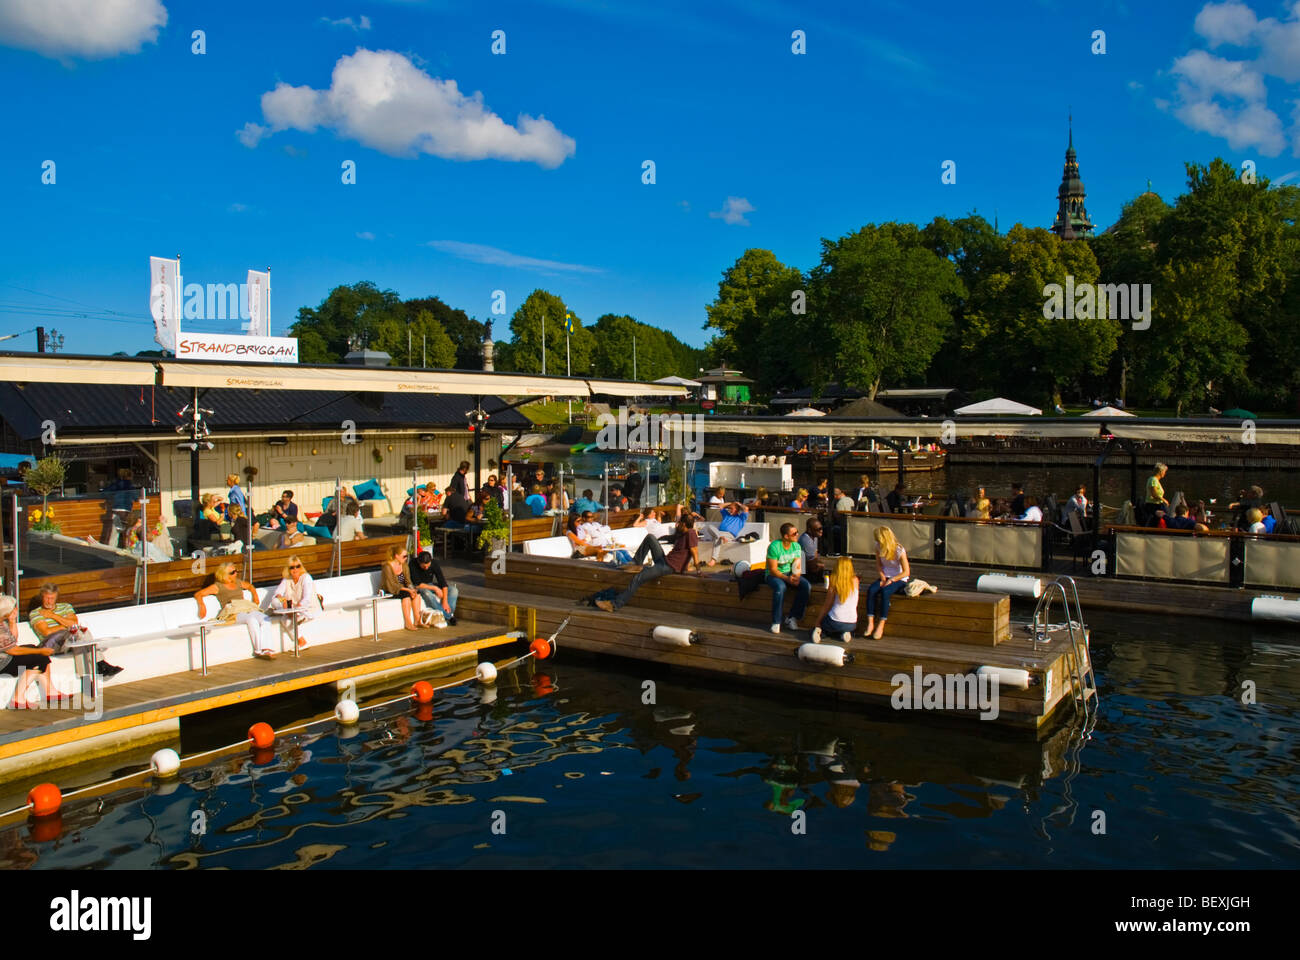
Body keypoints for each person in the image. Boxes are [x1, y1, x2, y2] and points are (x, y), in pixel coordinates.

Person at [594, 516, 701, 613]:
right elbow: (677, 546)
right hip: (665, 561)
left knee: (638, 578)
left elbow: (694, 552)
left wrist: (699, 571)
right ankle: (637, 563)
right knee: (650, 537)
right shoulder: (682, 534)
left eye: (679, 523)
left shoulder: (691, 533)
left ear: (684, 524)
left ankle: (615, 605)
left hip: (669, 567)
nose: (677, 525)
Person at [28, 584, 123, 677]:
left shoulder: (65, 607)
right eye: (47, 598)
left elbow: (74, 624)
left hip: (70, 640)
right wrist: (67, 626)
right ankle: (101, 664)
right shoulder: (36, 613)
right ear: (42, 597)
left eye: (52, 598)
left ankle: (86, 679)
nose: (49, 601)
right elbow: (47, 632)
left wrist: (53, 616)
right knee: (79, 632)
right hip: (52, 645)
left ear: (56, 598)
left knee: (79, 641)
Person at [195, 563, 275, 659]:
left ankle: (267, 648)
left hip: (246, 607)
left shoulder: (237, 582)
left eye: (236, 571)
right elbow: (198, 594)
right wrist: (202, 606)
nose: (236, 573)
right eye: (232, 572)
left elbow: (250, 586)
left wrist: (255, 596)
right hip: (233, 611)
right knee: (251, 619)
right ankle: (259, 650)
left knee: (265, 618)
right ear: (225, 574)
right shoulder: (218, 586)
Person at [1, 595, 59, 707]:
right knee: (39, 657)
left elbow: (13, 641)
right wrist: (40, 652)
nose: (16, 609)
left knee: (33, 648)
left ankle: (50, 691)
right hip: (2, 664)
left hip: (4, 657)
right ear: (7, 612)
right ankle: (18, 698)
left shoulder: (2, 621)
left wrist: (12, 621)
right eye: (14, 608)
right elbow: (13, 650)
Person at [265, 555, 323, 648]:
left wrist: (295, 610)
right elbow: (277, 592)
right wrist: (283, 600)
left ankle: (300, 639)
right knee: (279, 608)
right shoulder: (287, 579)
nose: (295, 569)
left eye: (297, 566)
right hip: (293, 609)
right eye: (292, 567)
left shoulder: (306, 578)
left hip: (307, 608)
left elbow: (306, 599)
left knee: (292, 619)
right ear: (288, 569)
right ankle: (302, 641)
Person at [864, 526, 909, 641]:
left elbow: (906, 572)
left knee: (885, 592)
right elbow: (879, 565)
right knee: (872, 590)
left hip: (899, 578)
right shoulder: (878, 547)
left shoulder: (899, 550)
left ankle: (881, 624)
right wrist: (883, 577)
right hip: (886, 575)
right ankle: (870, 622)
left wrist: (892, 580)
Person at [765, 522, 811, 634]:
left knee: (806, 586)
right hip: (773, 575)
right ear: (786, 536)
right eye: (794, 533)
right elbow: (773, 570)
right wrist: (787, 579)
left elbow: (798, 565)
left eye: (797, 532)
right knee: (780, 588)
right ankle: (776, 621)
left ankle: (793, 617)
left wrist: (796, 576)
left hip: (789, 572)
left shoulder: (796, 546)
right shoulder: (774, 546)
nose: (797, 535)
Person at [810, 556, 859, 645]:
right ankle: (844, 633)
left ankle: (820, 633)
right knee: (837, 628)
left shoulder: (834, 580)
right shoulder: (855, 581)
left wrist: (818, 621)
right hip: (852, 623)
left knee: (824, 626)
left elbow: (827, 605)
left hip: (835, 620)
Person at [380, 545, 424, 631]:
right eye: (404, 556)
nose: (406, 558)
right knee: (406, 595)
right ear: (396, 556)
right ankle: (408, 622)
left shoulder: (404, 566)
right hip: (390, 590)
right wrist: (408, 590)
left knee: (416, 593)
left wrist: (412, 589)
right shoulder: (387, 567)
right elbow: (391, 585)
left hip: (403, 589)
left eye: (407, 556)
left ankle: (417, 620)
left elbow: (408, 581)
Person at [412, 551, 457, 626]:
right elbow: (417, 584)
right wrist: (435, 588)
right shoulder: (413, 564)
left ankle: (448, 612)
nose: (426, 568)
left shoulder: (434, 563)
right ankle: (448, 617)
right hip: (420, 586)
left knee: (453, 590)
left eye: (428, 566)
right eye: (423, 566)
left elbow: (443, 582)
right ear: (419, 562)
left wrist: (445, 601)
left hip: (430, 584)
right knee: (427, 593)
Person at [706, 500, 749, 565]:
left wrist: (738, 504)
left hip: (729, 535)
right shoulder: (726, 515)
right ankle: (720, 536)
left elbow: (746, 508)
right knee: (709, 527)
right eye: (729, 508)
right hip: (720, 533)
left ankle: (713, 560)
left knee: (718, 538)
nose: (729, 510)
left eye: (731, 509)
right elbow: (720, 505)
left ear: (737, 510)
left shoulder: (741, 518)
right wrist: (731, 503)